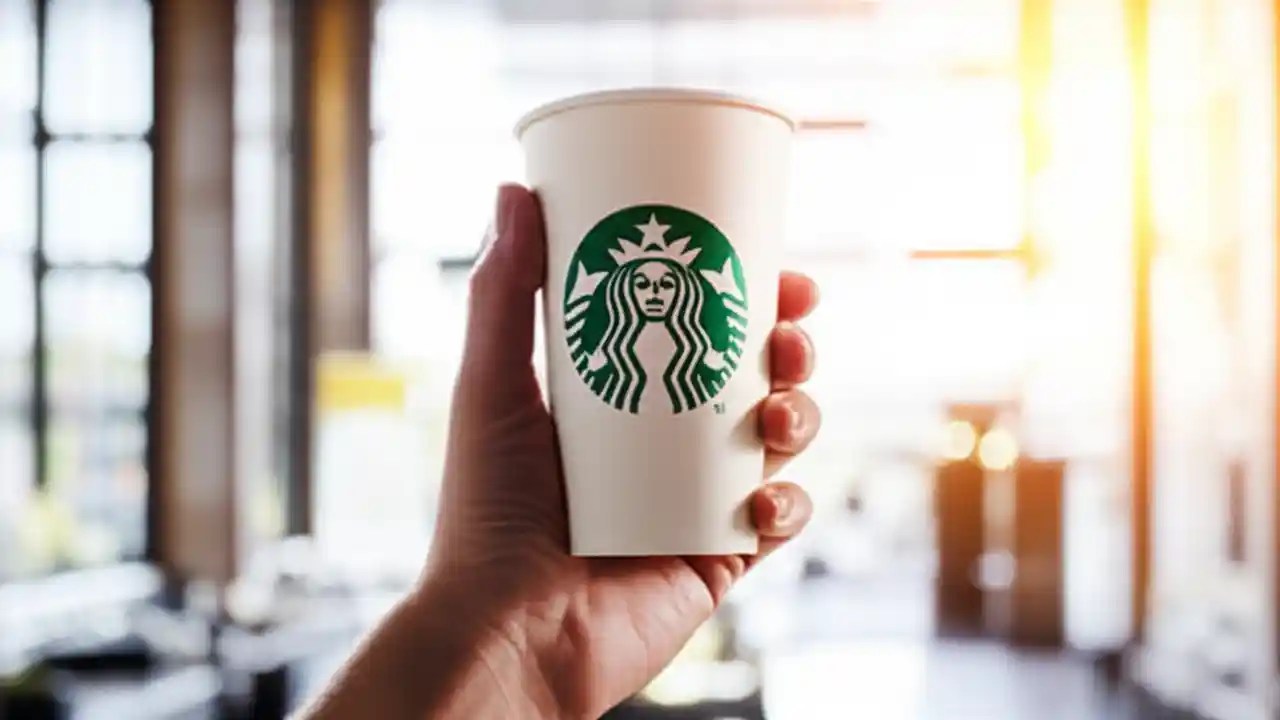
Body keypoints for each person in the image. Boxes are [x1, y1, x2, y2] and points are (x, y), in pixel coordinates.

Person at [301, 185, 821, 719]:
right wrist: (497, 623)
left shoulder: (691, 355)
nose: (655, 292)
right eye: (641, 281)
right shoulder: (614, 356)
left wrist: (517, 647)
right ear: (619, 291)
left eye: (668, 281)